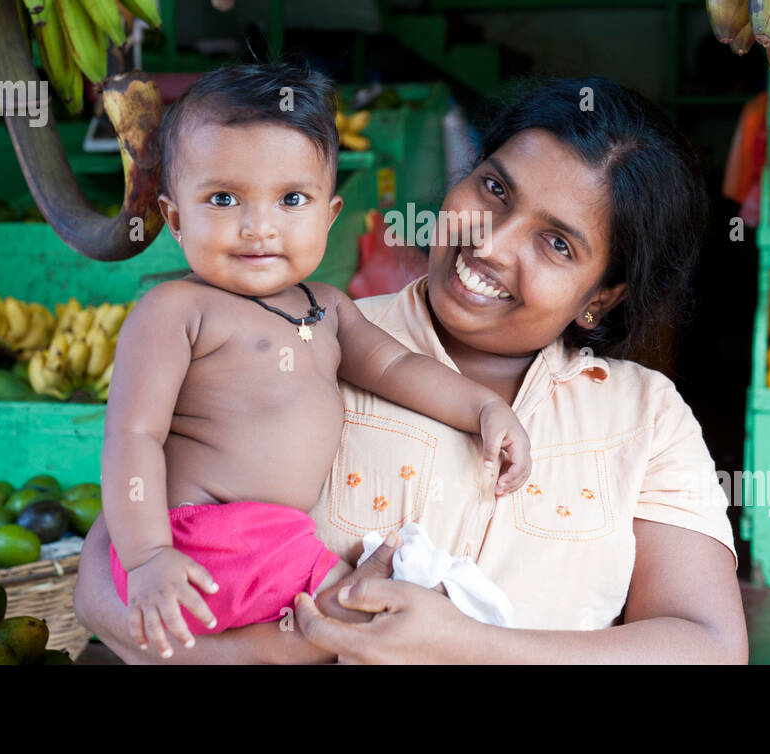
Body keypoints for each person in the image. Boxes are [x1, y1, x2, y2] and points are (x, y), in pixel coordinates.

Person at [74, 77, 748, 664]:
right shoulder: (300, 337)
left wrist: (467, 649)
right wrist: (276, 652)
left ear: (602, 296)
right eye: (493, 188)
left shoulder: (643, 416)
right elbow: (106, 584)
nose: (488, 242)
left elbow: (708, 647)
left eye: (557, 243)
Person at [101, 64, 532, 651]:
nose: (258, 228)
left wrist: (481, 408)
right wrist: (147, 555)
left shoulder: (328, 309)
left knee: (368, 614)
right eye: (223, 199)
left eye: (291, 199)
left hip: (270, 543)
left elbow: (396, 369)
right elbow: (133, 434)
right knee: (359, 619)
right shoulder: (175, 310)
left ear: (328, 216)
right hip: (198, 540)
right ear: (176, 219)